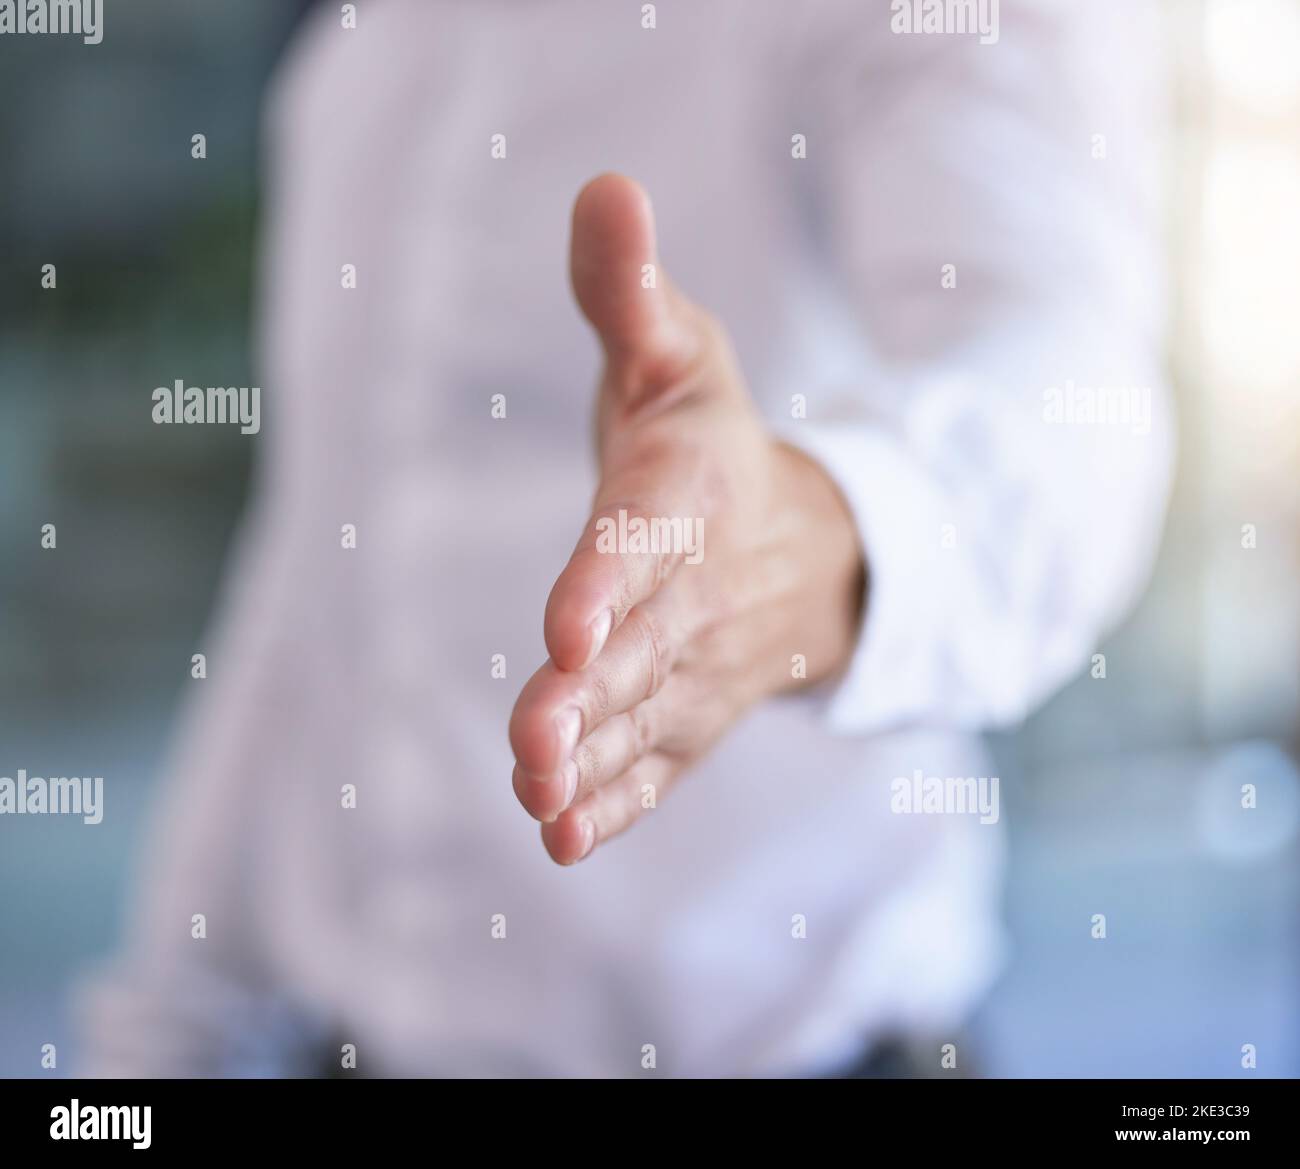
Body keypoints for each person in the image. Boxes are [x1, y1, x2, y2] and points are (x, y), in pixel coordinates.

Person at [80, 0, 1173, 1077]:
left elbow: (1068, 401)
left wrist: (795, 549)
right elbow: (314, 569)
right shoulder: (357, 50)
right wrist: (160, 1032)